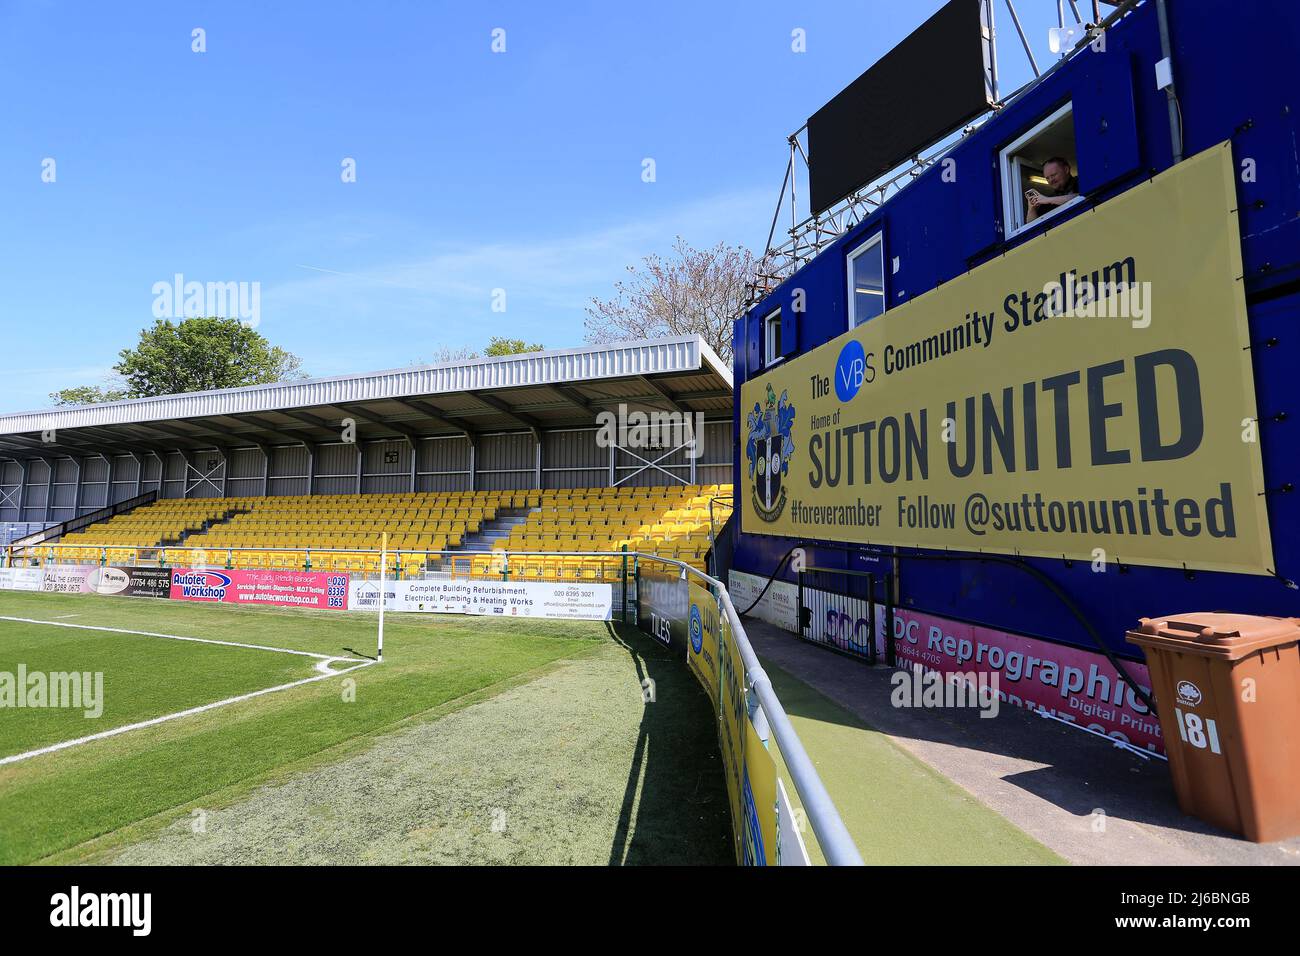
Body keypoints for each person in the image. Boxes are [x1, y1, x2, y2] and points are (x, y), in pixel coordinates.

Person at [1025, 156, 1079, 222]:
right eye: (1047, 178)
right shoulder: (1047, 201)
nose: (1051, 180)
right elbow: (1032, 226)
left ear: (1066, 170)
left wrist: (1048, 200)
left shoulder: (1082, 181)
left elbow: (1083, 196)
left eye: (1053, 175)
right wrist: (1032, 209)